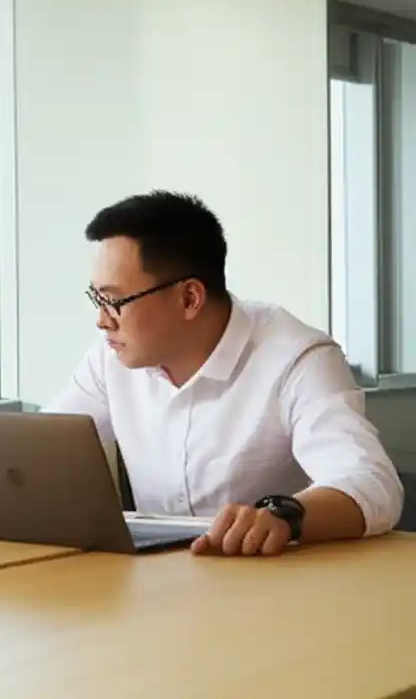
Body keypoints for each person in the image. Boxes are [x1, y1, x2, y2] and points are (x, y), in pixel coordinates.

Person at [47, 190, 403, 557]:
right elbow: (41, 453)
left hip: (268, 577)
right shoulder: (111, 358)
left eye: (114, 301)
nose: (102, 320)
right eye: (97, 299)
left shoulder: (296, 358)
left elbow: (371, 483)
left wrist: (280, 516)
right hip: (155, 576)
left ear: (190, 298)